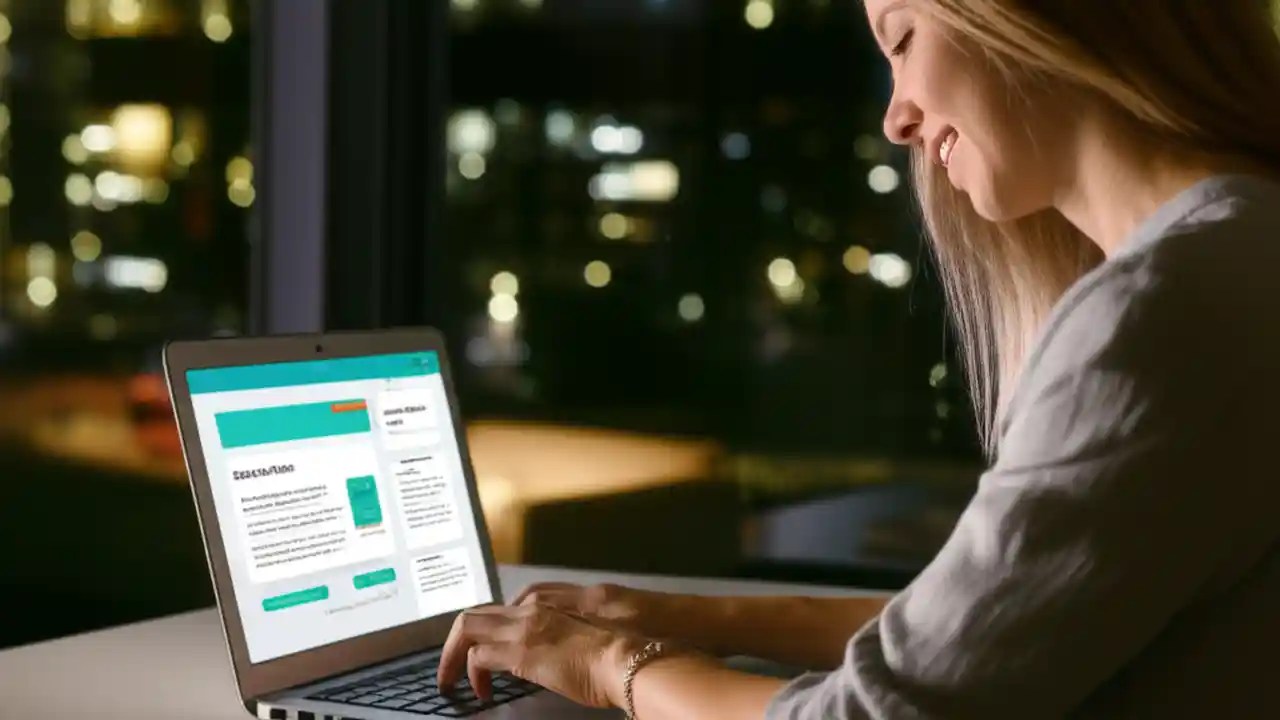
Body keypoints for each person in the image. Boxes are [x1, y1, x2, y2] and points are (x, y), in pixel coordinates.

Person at [437, 0, 1280, 717]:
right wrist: (682, 618)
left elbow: (879, 714)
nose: (896, 117)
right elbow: (983, 633)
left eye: (902, 39)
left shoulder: (1156, 315)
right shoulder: (1242, 250)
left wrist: (606, 666)